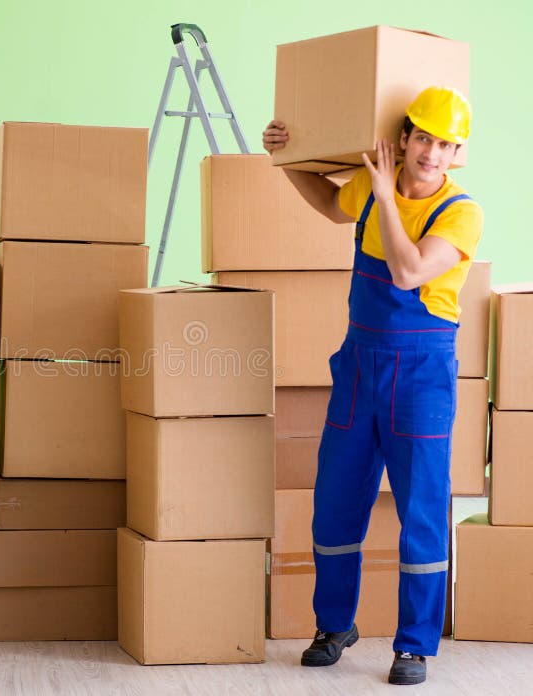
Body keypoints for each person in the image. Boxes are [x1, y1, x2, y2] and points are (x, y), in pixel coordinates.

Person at [263, 86, 482, 686]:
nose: (433, 153)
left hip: (421, 376)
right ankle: (335, 626)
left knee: (422, 514)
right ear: (405, 138)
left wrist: (385, 193)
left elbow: (410, 271)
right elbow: (333, 204)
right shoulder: (374, 187)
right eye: (424, 139)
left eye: (446, 144)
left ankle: (413, 646)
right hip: (359, 367)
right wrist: (284, 157)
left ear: (456, 153)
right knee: (334, 503)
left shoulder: (461, 213)